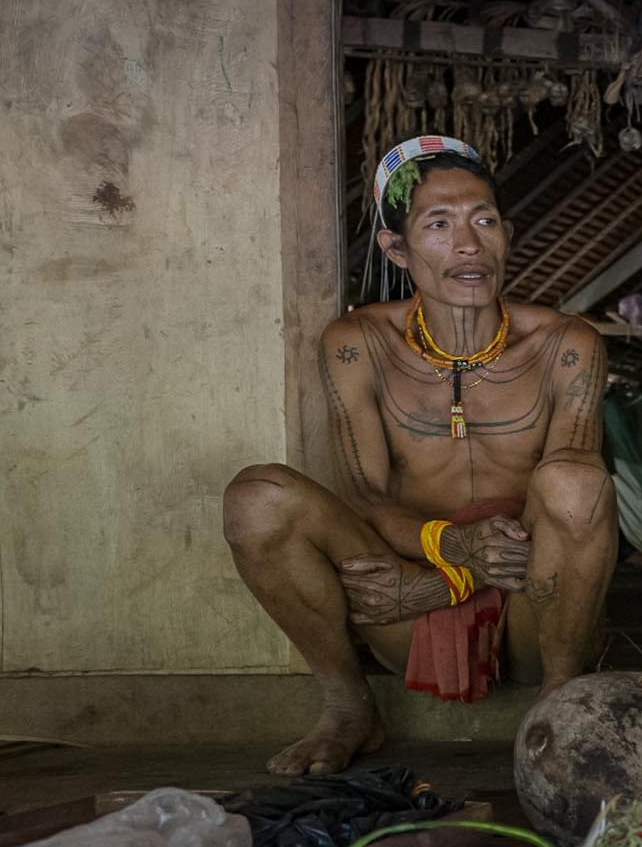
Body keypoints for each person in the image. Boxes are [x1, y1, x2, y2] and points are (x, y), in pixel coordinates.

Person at [224, 137, 618, 774]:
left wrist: (447, 580)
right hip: (400, 604)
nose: (468, 244)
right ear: (397, 249)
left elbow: (577, 496)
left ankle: (560, 706)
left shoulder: (567, 344)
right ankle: (348, 707)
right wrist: (453, 552)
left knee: (576, 483)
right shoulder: (358, 343)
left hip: (533, 609)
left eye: (484, 220)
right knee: (257, 500)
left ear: (506, 235)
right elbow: (366, 499)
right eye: (439, 224)